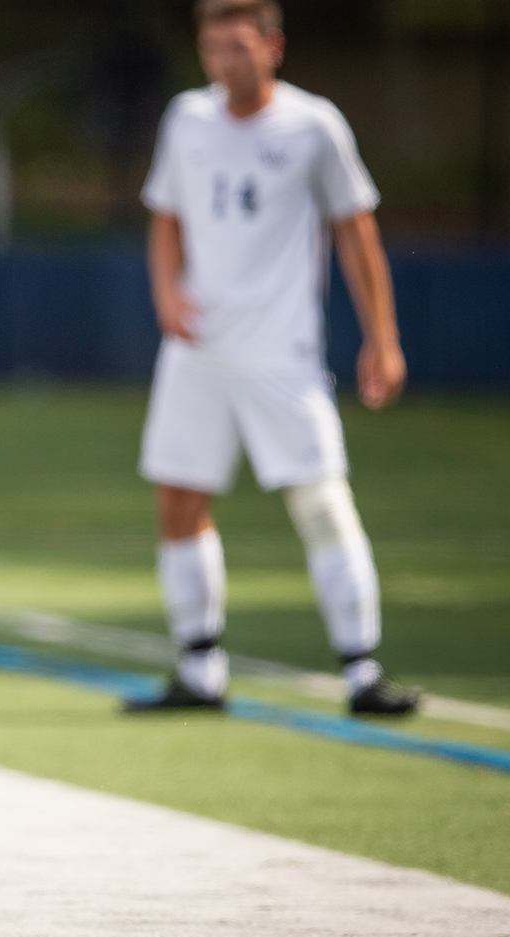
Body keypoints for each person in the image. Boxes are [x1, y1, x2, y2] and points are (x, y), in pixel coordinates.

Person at [125, 0, 418, 716]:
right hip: (198, 350)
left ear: (273, 47)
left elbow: (357, 232)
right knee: (179, 501)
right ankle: (201, 670)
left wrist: (383, 336)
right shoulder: (187, 119)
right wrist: (167, 294)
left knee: (321, 501)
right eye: (213, 48)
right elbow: (167, 218)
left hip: (282, 353)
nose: (225, 61)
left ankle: (361, 671)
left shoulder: (314, 125)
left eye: (238, 47)